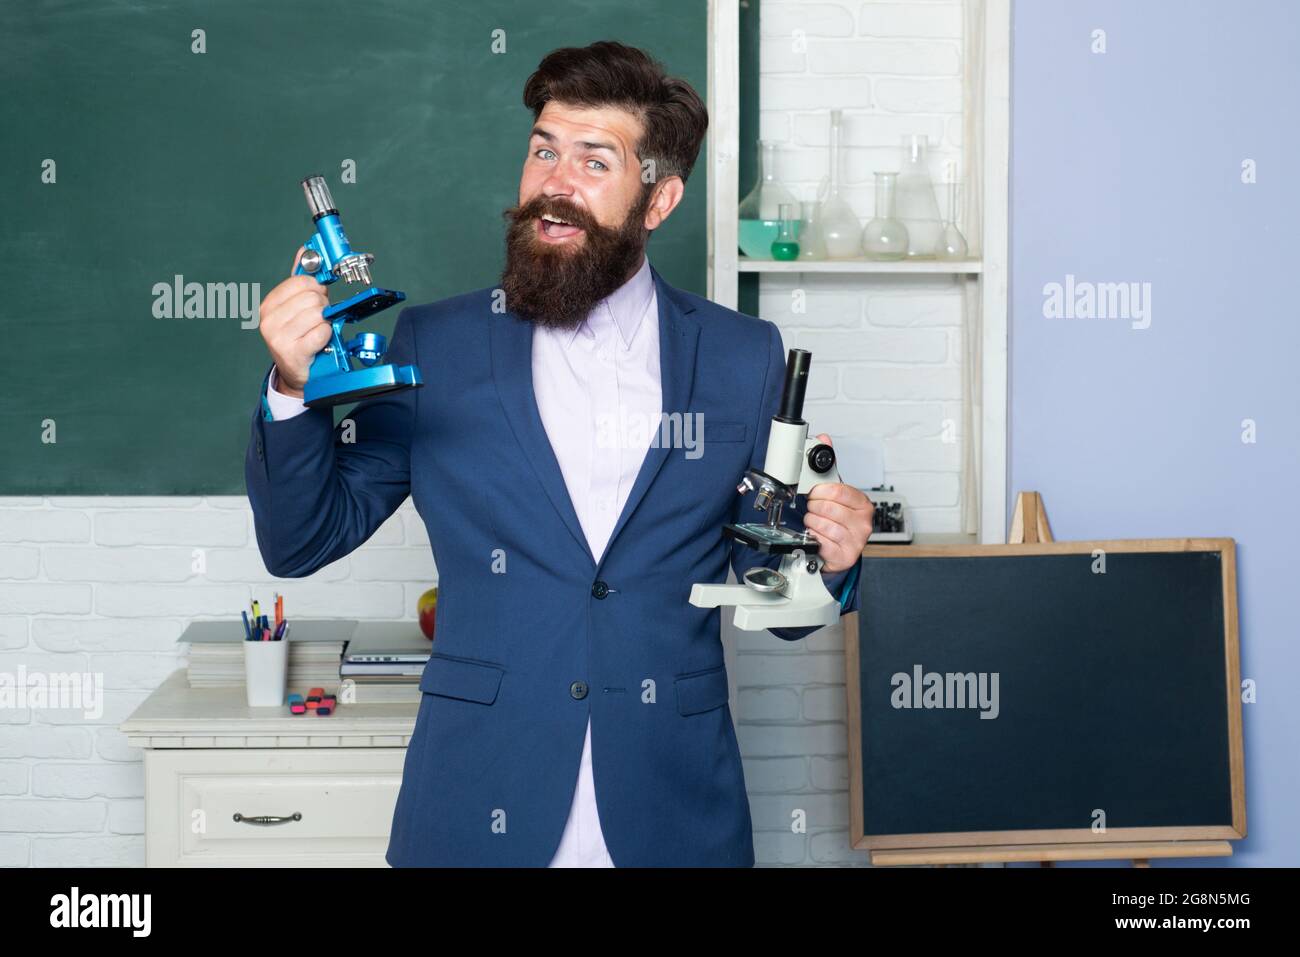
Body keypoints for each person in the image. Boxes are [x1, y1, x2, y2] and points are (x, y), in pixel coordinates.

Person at [247, 40, 872, 867]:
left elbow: (771, 579)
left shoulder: (740, 357)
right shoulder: (440, 344)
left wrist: (830, 556)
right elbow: (300, 539)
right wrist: (291, 387)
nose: (554, 182)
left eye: (593, 160)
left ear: (659, 199)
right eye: (544, 149)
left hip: (673, 813)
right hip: (477, 809)